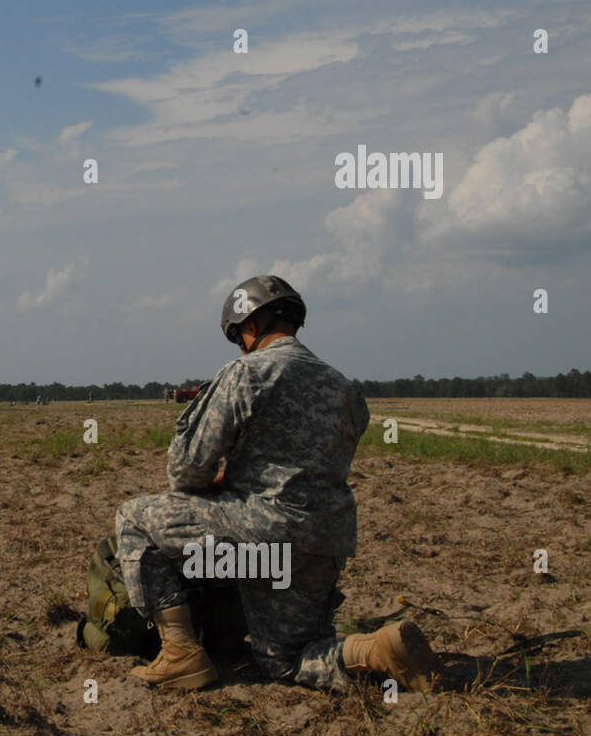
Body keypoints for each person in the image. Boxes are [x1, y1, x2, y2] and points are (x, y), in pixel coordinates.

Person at [115, 275, 438, 694]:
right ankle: (374, 651)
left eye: (238, 336)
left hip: (262, 537)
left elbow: (184, 470)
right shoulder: (345, 389)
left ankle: (180, 654)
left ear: (249, 326)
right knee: (285, 658)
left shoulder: (246, 373)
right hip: (325, 541)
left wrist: (222, 482)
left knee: (135, 518)